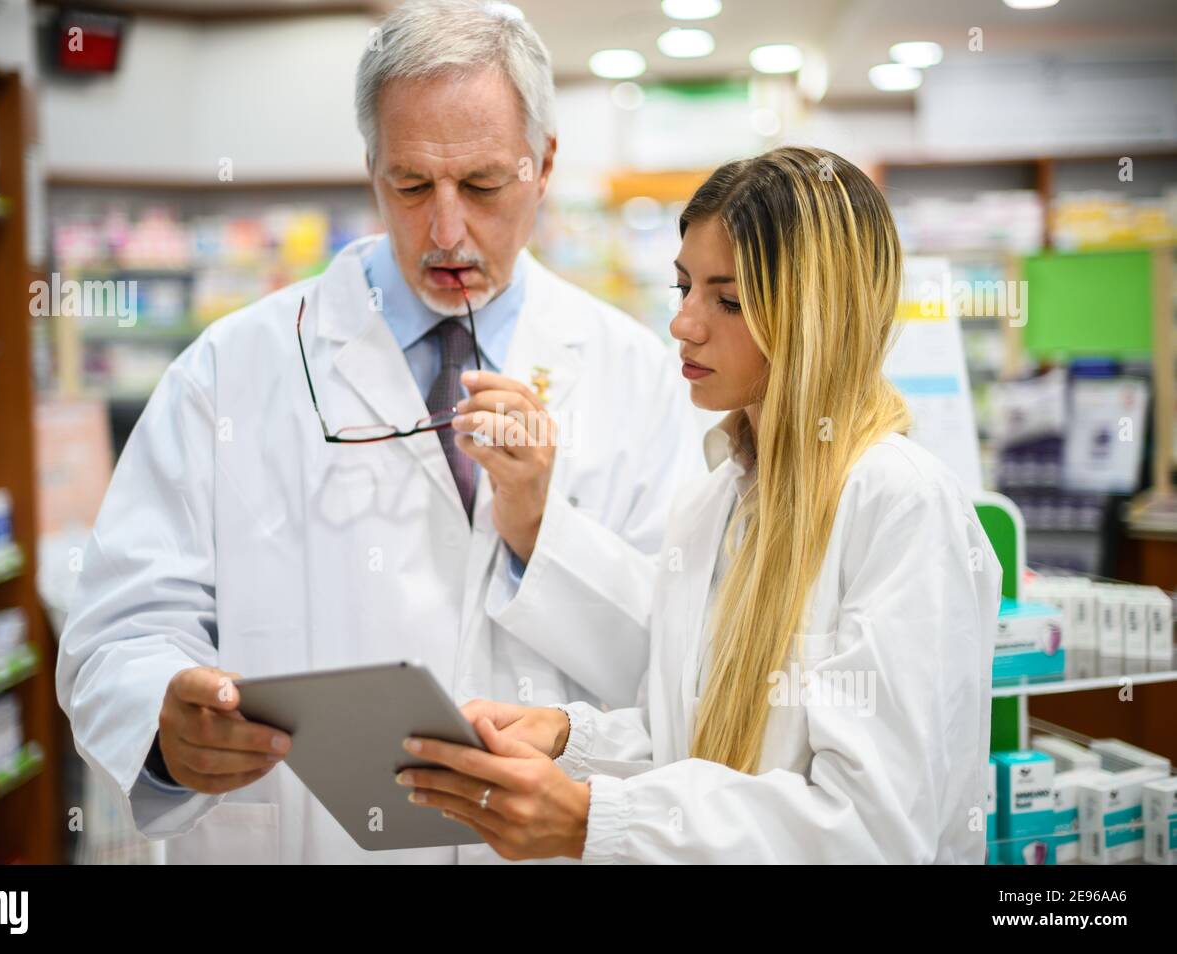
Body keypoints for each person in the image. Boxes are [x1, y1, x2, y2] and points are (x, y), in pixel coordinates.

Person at [55, 0, 701, 865]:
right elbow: (120, 629)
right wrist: (165, 724)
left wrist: (545, 532)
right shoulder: (231, 371)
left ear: (543, 164)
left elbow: (686, 660)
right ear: (371, 169)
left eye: (480, 186)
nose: (445, 231)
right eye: (409, 185)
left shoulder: (639, 376)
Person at [400, 146, 1002, 864]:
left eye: (729, 299)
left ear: (817, 313)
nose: (683, 324)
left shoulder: (902, 508)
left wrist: (592, 820)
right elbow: (691, 740)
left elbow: (870, 830)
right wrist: (566, 736)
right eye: (684, 286)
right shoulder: (715, 500)